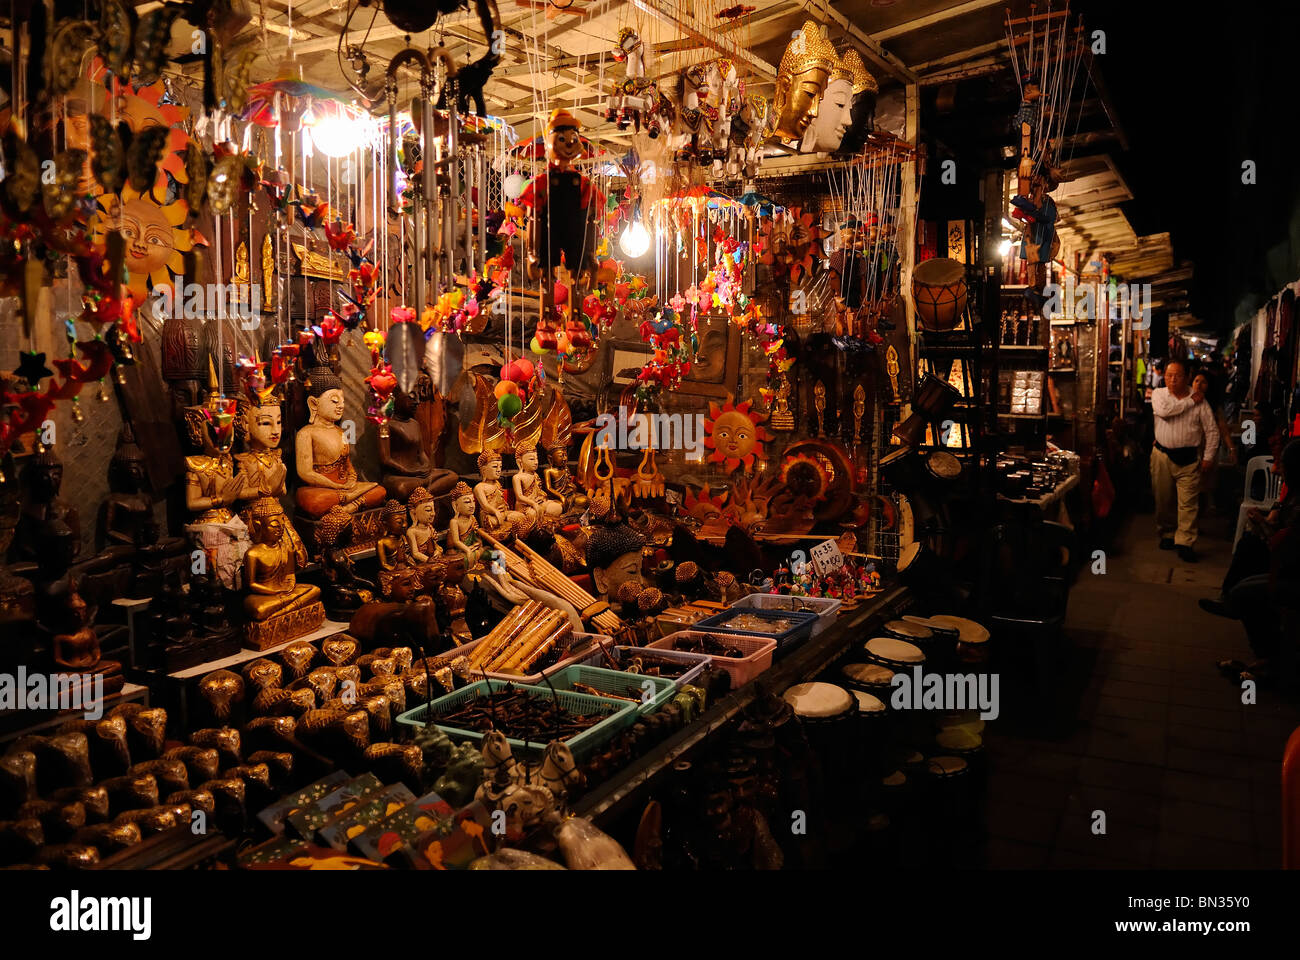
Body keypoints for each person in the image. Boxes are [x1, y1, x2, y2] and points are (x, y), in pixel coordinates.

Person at [1207, 439, 1300, 686]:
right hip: (1288, 567)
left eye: (1282, 466)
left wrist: (1265, 528)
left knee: (1246, 592)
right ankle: (1269, 657)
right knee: (1249, 549)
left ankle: (1271, 661)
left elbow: (1288, 547)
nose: (1275, 471)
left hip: (1293, 573)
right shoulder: (1293, 495)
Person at [1150, 360, 1219, 562]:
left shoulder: (1202, 401)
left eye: (1177, 375)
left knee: (1188, 503)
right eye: (1169, 375)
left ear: (1186, 376)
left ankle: (1185, 542)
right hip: (1161, 455)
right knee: (1163, 499)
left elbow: (1212, 431)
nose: (1172, 379)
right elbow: (1165, 412)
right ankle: (1167, 533)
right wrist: (1190, 402)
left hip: (1188, 458)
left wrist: (1208, 457)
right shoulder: (1159, 394)